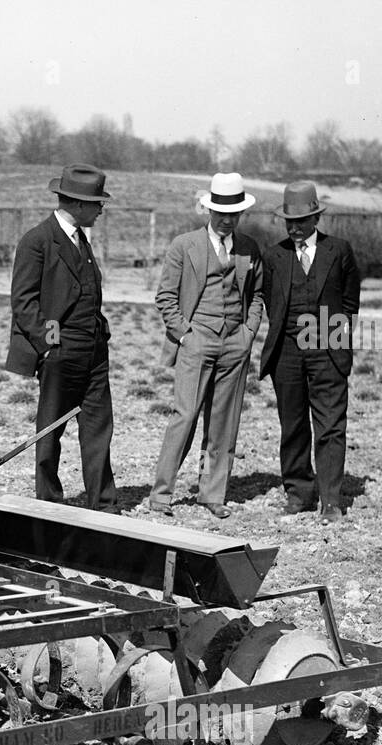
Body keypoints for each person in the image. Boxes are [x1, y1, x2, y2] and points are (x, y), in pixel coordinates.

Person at [149, 172, 265, 518]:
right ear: (209, 211)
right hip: (196, 341)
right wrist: (185, 334)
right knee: (184, 416)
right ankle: (161, 495)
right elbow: (165, 297)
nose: (227, 220)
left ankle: (212, 494)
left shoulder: (249, 248)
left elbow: (257, 296)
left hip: (234, 344)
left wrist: (247, 334)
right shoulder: (184, 245)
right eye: (221, 213)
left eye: (234, 214)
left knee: (224, 422)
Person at [6, 164, 119, 511]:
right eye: (97, 203)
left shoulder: (81, 239)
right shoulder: (37, 240)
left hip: (94, 352)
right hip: (61, 350)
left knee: (99, 427)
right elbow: (23, 302)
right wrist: (49, 344)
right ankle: (49, 503)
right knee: (50, 430)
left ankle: (104, 503)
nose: (101, 210)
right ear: (79, 204)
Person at [259, 180, 362, 526]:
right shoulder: (275, 255)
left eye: (302, 220)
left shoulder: (340, 251)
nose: (295, 227)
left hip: (328, 349)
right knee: (293, 424)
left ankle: (330, 499)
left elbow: (349, 303)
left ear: (316, 218)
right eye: (290, 221)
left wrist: (336, 338)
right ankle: (299, 492)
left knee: (331, 425)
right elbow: (270, 302)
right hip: (287, 351)